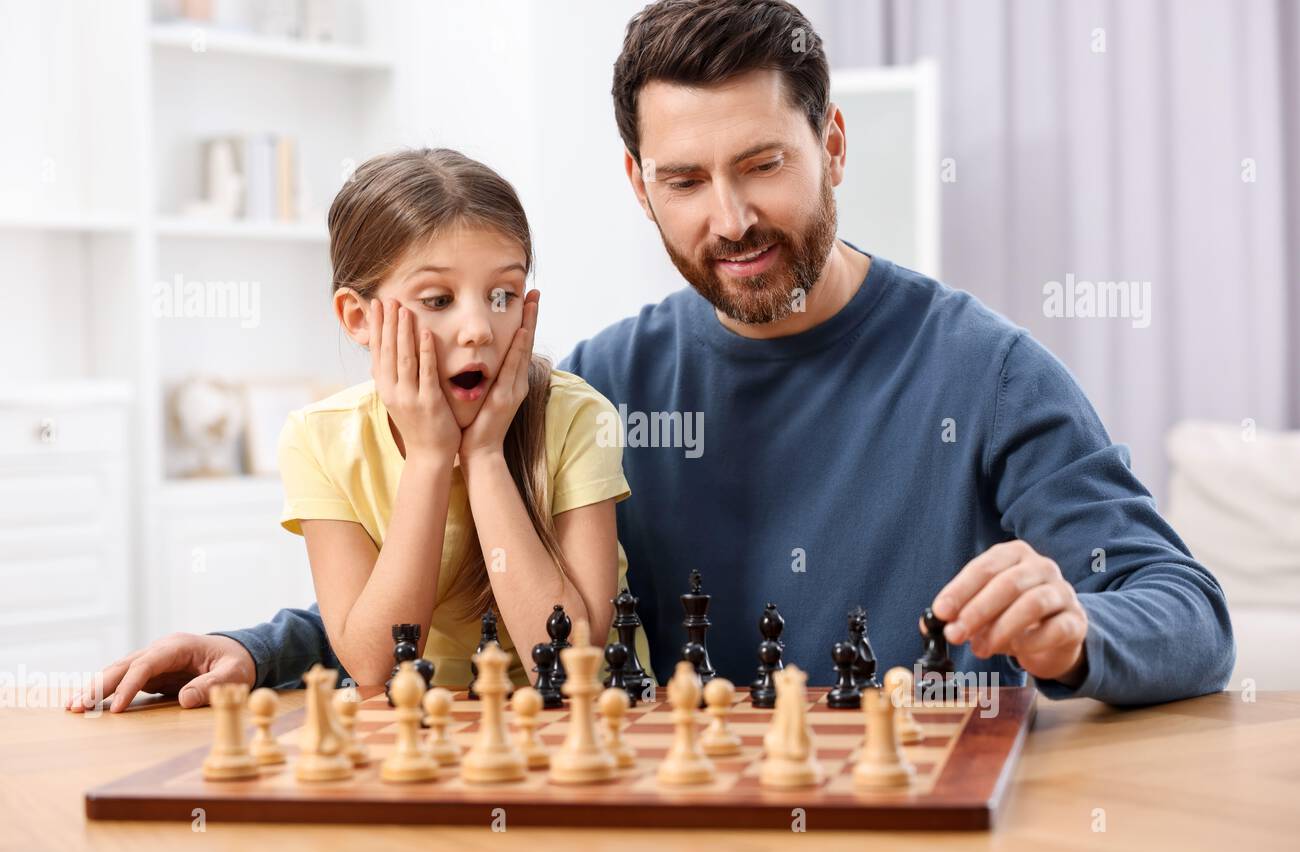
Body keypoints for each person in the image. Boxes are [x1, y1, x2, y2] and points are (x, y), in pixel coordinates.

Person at [73, 0, 1232, 712]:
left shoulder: (986, 371)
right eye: (683, 180)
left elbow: (1186, 611)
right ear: (638, 185)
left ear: (831, 145)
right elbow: (459, 603)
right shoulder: (590, 386)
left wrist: (1080, 634)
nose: (727, 218)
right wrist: (252, 644)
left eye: (763, 164)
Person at [69, 147, 646, 710]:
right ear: (358, 318)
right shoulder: (319, 439)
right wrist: (427, 458)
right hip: (428, 735)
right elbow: (373, 667)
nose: (478, 328)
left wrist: (487, 456)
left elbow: (574, 662)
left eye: (503, 295)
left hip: (579, 728)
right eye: (438, 298)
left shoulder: (576, 418)